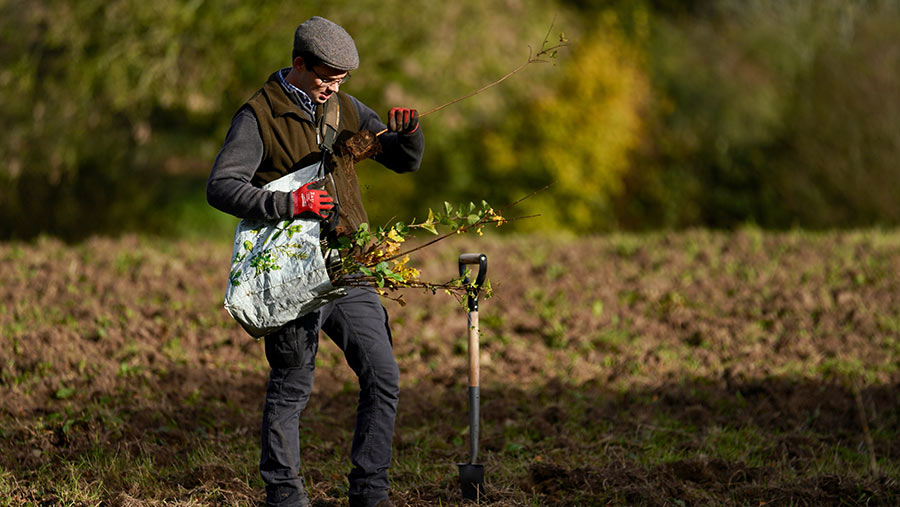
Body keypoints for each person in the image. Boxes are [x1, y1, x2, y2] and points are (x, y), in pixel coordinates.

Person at [206, 16, 424, 507]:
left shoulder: (345, 107)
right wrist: (290, 203)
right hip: (290, 273)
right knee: (292, 384)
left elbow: (402, 160)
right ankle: (285, 495)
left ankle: (370, 493)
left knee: (383, 375)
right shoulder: (258, 115)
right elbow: (221, 187)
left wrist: (409, 134)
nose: (333, 87)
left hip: (348, 262)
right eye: (325, 76)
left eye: (342, 79)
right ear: (298, 64)